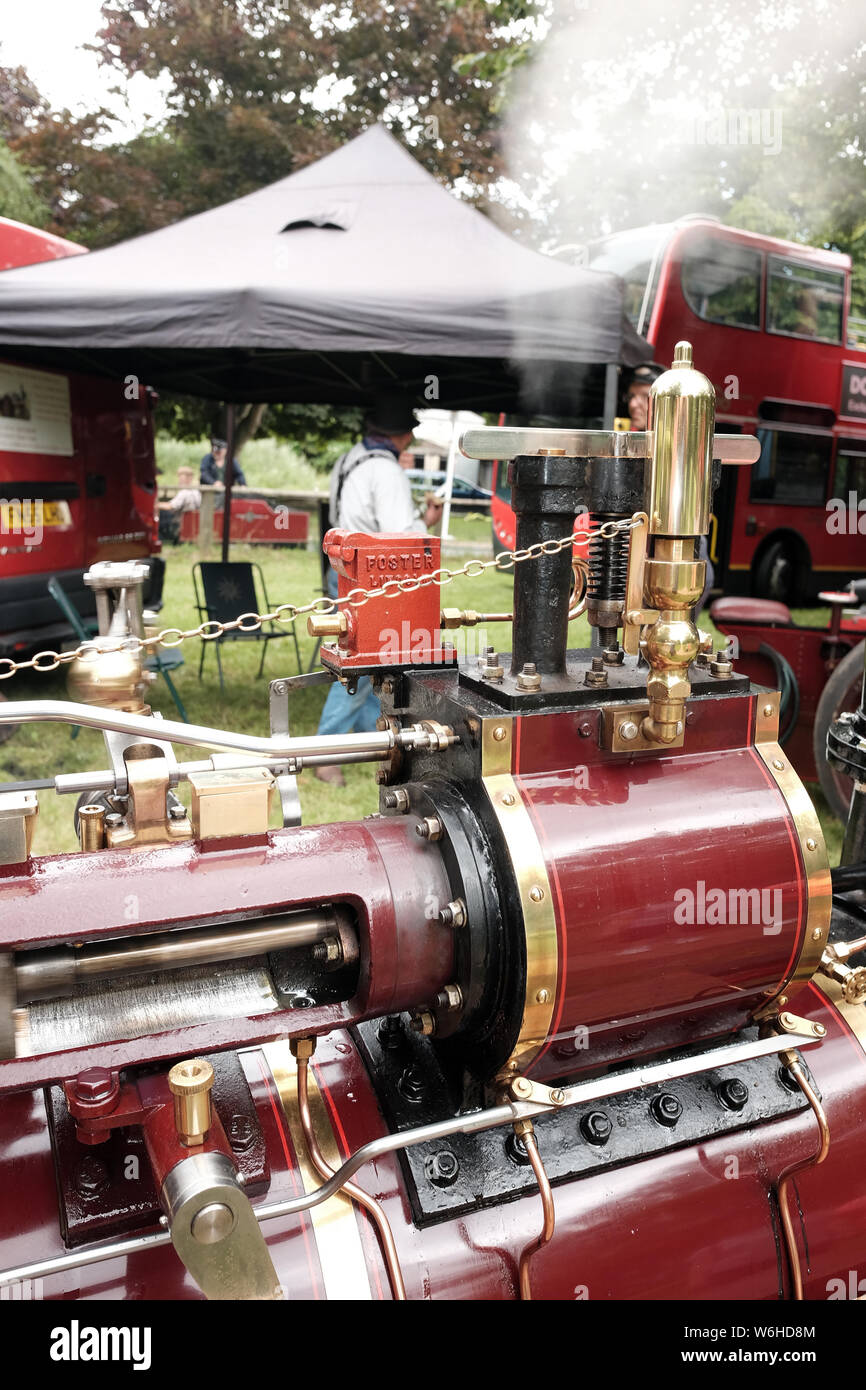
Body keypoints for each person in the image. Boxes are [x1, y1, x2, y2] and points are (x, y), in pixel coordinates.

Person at [315, 393, 443, 787]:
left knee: (378, 667)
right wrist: (428, 521)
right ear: (401, 435)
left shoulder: (349, 458)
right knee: (362, 662)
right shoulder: (386, 471)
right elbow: (401, 538)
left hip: (346, 570)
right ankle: (327, 754)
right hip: (377, 581)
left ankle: (384, 739)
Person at [624, 362, 714, 613]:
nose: (633, 404)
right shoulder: (630, 448)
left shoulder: (681, 449)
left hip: (678, 552)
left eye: (644, 397)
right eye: (632, 396)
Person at [157, 465, 201, 543]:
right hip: (189, 520)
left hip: (179, 521)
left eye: (180, 477)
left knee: (161, 514)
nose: (179, 479)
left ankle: (160, 539)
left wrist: (156, 505)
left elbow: (170, 506)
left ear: (188, 478)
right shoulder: (197, 491)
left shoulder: (184, 493)